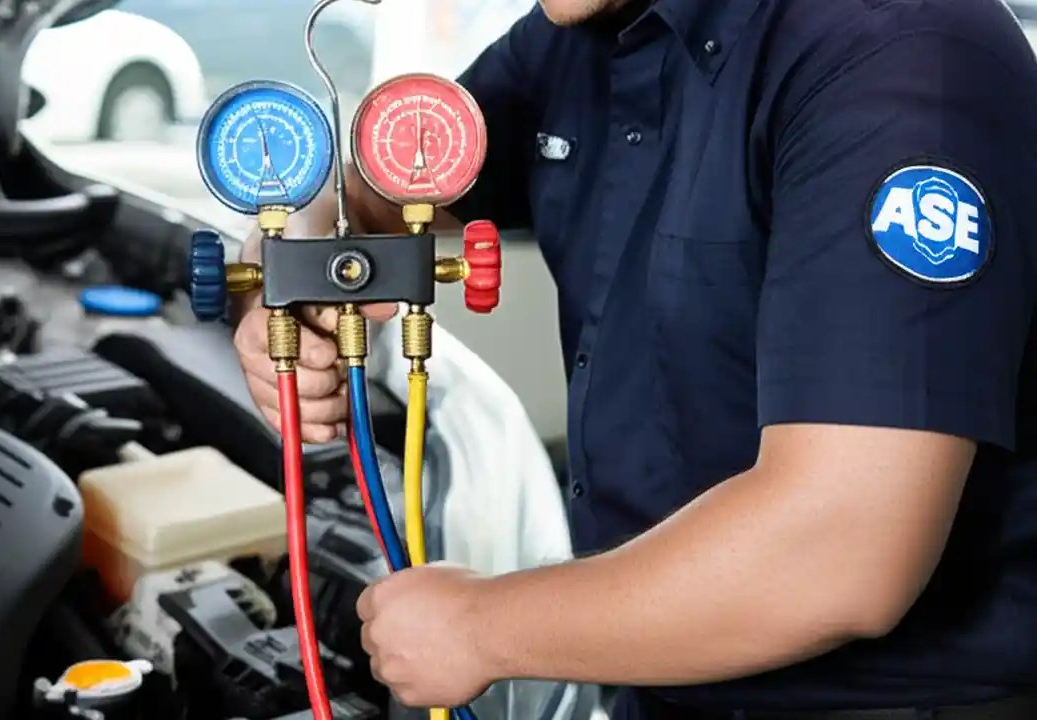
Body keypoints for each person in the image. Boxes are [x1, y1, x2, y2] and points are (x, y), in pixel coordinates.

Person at [229, 0, 1037, 717]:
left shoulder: (904, 50)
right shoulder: (577, 34)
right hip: (647, 670)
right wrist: (294, 256)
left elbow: (839, 552)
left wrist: (479, 628)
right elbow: (389, 184)